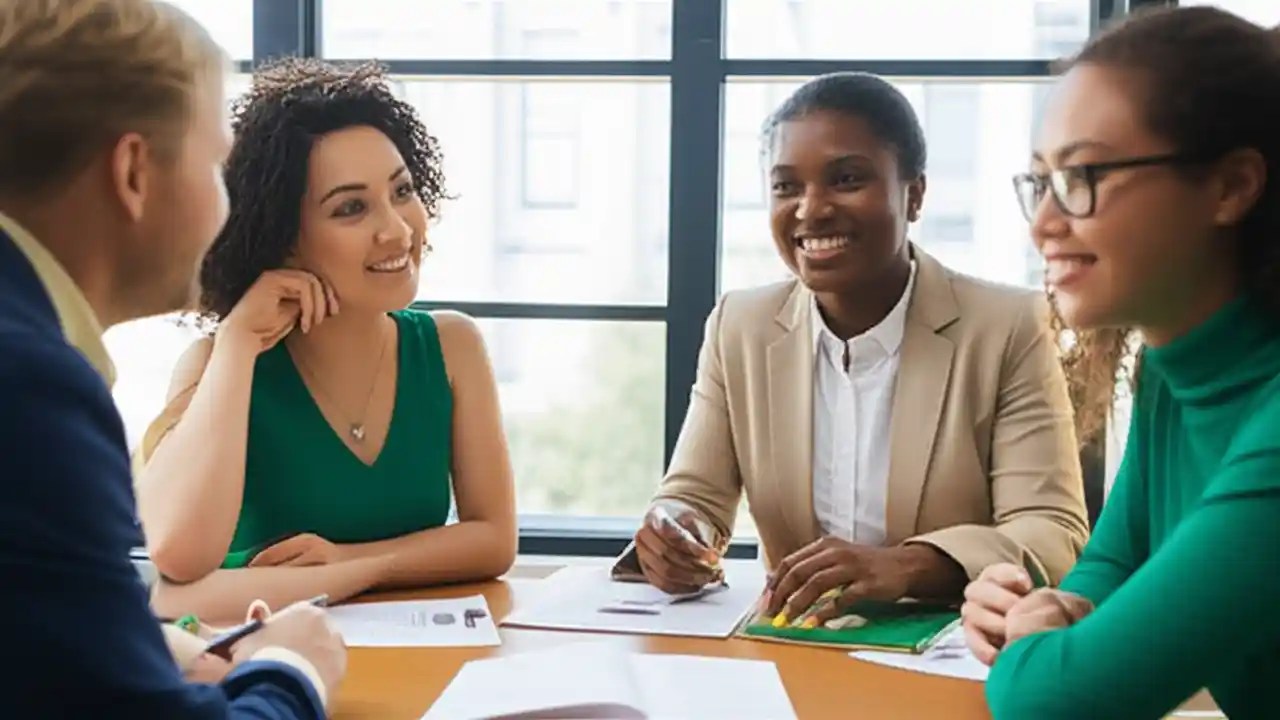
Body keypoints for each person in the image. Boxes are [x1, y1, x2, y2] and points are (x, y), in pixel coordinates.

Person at [616, 72, 1090, 625]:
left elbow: (1051, 533)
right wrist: (678, 535)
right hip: (793, 651)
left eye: (845, 179)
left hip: (952, 650)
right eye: (786, 187)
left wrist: (906, 567)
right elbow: (694, 495)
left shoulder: (1008, 326)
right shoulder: (739, 326)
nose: (810, 210)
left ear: (914, 194)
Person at [0, 0, 345, 716]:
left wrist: (146, 646)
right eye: (219, 165)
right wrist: (293, 667)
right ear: (133, 172)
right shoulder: (31, 390)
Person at [961, 7, 1280, 719]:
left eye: (1083, 175)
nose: (1043, 221)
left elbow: (1051, 701)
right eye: (1039, 182)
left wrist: (1035, 649)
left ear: (1231, 187)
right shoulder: (1169, 375)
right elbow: (1111, 567)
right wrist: (1047, 609)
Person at [135, 57, 517, 622]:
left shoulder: (452, 346)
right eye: (351, 208)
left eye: (402, 190)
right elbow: (175, 579)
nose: (397, 229)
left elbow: (493, 540)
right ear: (282, 237)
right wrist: (238, 343)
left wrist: (353, 565)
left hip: (419, 663)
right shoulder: (217, 364)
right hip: (263, 671)